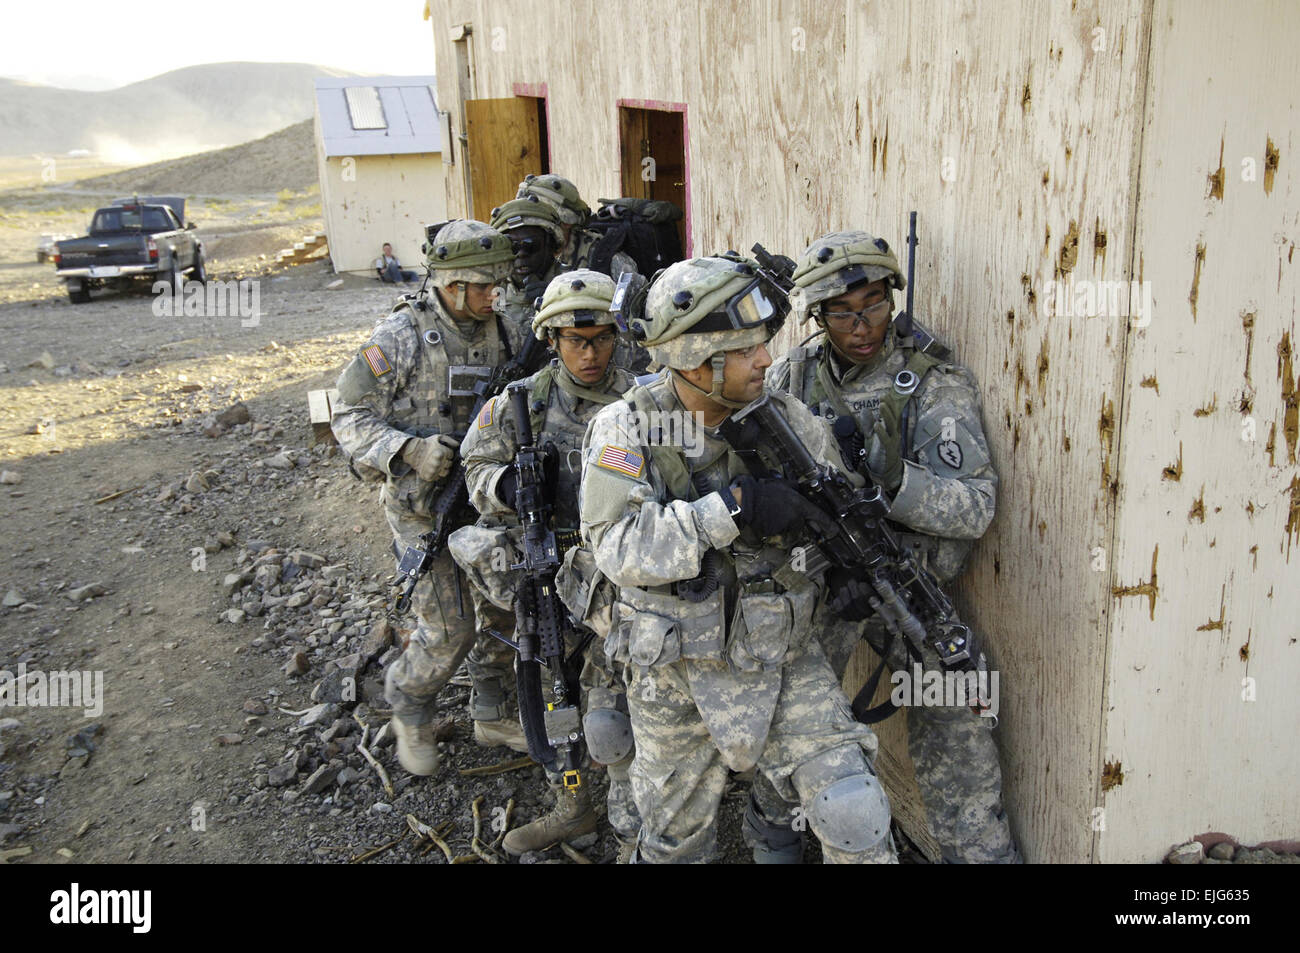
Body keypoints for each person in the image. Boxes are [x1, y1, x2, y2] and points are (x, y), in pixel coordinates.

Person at [578, 254, 898, 864]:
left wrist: (846, 568)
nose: (766, 360)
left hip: (777, 654)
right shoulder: (627, 428)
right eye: (748, 350)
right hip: (673, 666)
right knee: (674, 844)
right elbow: (618, 546)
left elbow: (827, 513)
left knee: (852, 808)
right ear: (698, 360)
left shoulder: (788, 421)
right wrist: (730, 510)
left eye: (763, 346)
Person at [762, 229, 1019, 863]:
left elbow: (975, 509)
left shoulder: (930, 381)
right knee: (783, 715)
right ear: (819, 316)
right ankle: (777, 842)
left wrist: (895, 480)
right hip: (824, 582)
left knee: (962, 746)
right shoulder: (796, 373)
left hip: (908, 583)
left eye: (875, 303)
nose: (862, 324)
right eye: (844, 311)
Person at [451, 269, 640, 858]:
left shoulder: (644, 397)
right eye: (576, 341)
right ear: (551, 340)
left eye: (603, 338)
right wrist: (511, 485)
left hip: (619, 578)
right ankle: (572, 807)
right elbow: (473, 465)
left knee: (615, 706)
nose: (592, 352)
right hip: (543, 572)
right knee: (555, 696)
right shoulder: (522, 401)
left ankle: (634, 824)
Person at [330, 220, 529, 777]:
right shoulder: (400, 337)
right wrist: (407, 450)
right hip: (424, 509)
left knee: (504, 608)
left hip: (488, 502)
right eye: (486, 285)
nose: (498, 293)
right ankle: (409, 705)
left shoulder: (508, 331)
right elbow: (345, 414)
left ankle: (491, 710)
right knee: (449, 627)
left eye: (500, 283)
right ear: (453, 284)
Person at [489, 196, 567, 338]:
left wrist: (555, 302)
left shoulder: (571, 285)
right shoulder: (493, 289)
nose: (521, 254)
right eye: (511, 246)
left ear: (551, 245)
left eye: (531, 245)